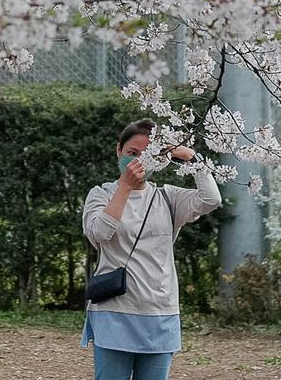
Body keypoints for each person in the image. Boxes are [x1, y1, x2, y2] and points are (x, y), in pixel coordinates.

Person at [81, 119, 222, 380]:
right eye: (131, 154)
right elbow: (98, 233)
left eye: (146, 156)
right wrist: (124, 187)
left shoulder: (168, 197)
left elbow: (211, 199)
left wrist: (191, 156)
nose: (136, 161)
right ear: (118, 151)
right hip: (114, 310)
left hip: (160, 312)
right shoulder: (101, 194)